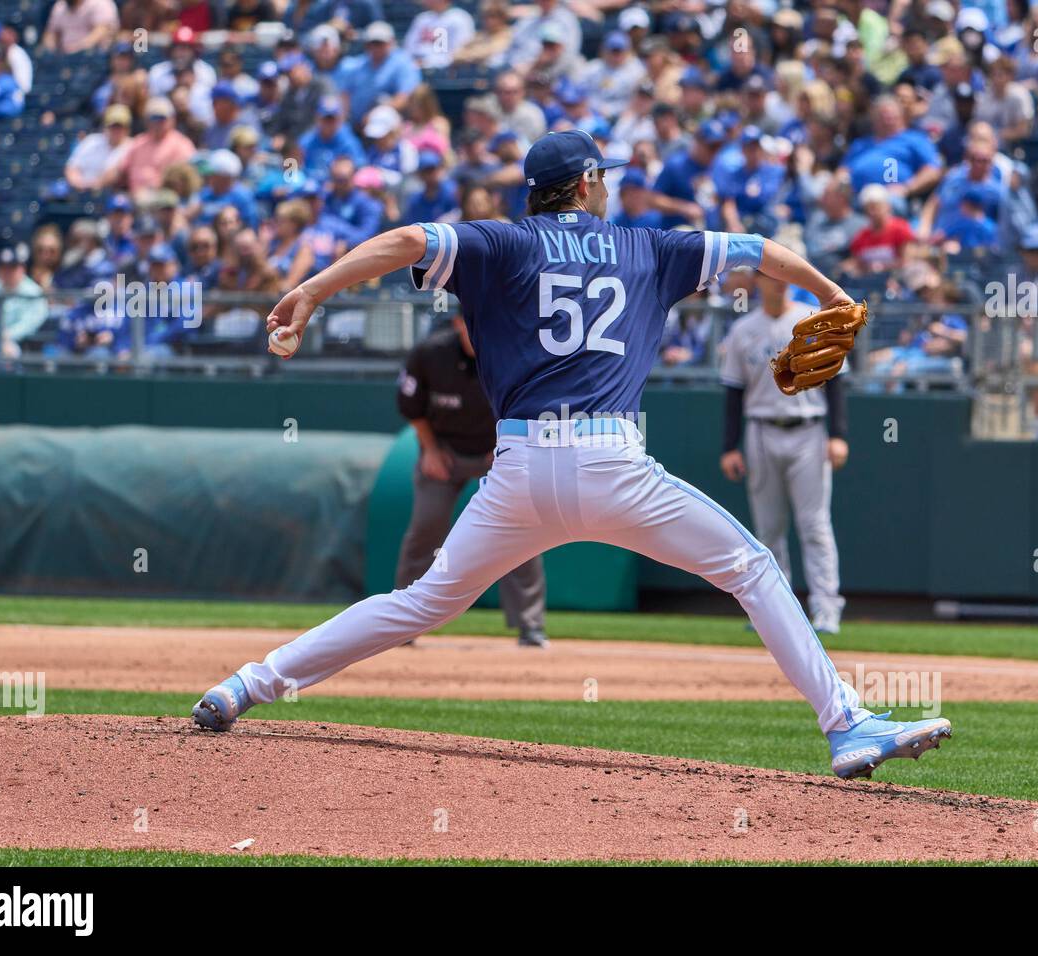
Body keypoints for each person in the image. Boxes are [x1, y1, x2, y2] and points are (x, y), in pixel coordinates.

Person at [191, 129, 954, 781]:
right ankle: (845, 724)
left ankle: (245, 686)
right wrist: (830, 293)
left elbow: (407, 242)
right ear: (586, 184)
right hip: (611, 462)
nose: (608, 190)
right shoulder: (646, 247)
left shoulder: (502, 241)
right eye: (603, 179)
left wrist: (313, 291)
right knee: (751, 567)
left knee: (418, 605)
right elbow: (760, 252)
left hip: (517, 469)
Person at [395, 313, 549, 647]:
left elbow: (534, 407)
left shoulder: (512, 353)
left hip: (498, 455)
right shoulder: (430, 354)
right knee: (426, 527)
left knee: (521, 533)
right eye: (472, 323)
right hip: (445, 455)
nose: (480, 331)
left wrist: (508, 448)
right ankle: (401, 624)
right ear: (458, 324)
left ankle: (530, 625)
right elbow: (411, 406)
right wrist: (430, 450)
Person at [718, 264, 849, 635]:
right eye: (769, 277)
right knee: (768, 529)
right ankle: (777, 614)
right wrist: (729, 446)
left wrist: (838, 435)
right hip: (761, 428)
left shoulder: (812, 321)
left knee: (814, 525)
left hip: (808, 428)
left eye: (782, 277)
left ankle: (827, 610)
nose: (777, 283)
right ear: (757, 282)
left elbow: (838, 381)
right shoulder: (743, 330)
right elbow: (732, 391)